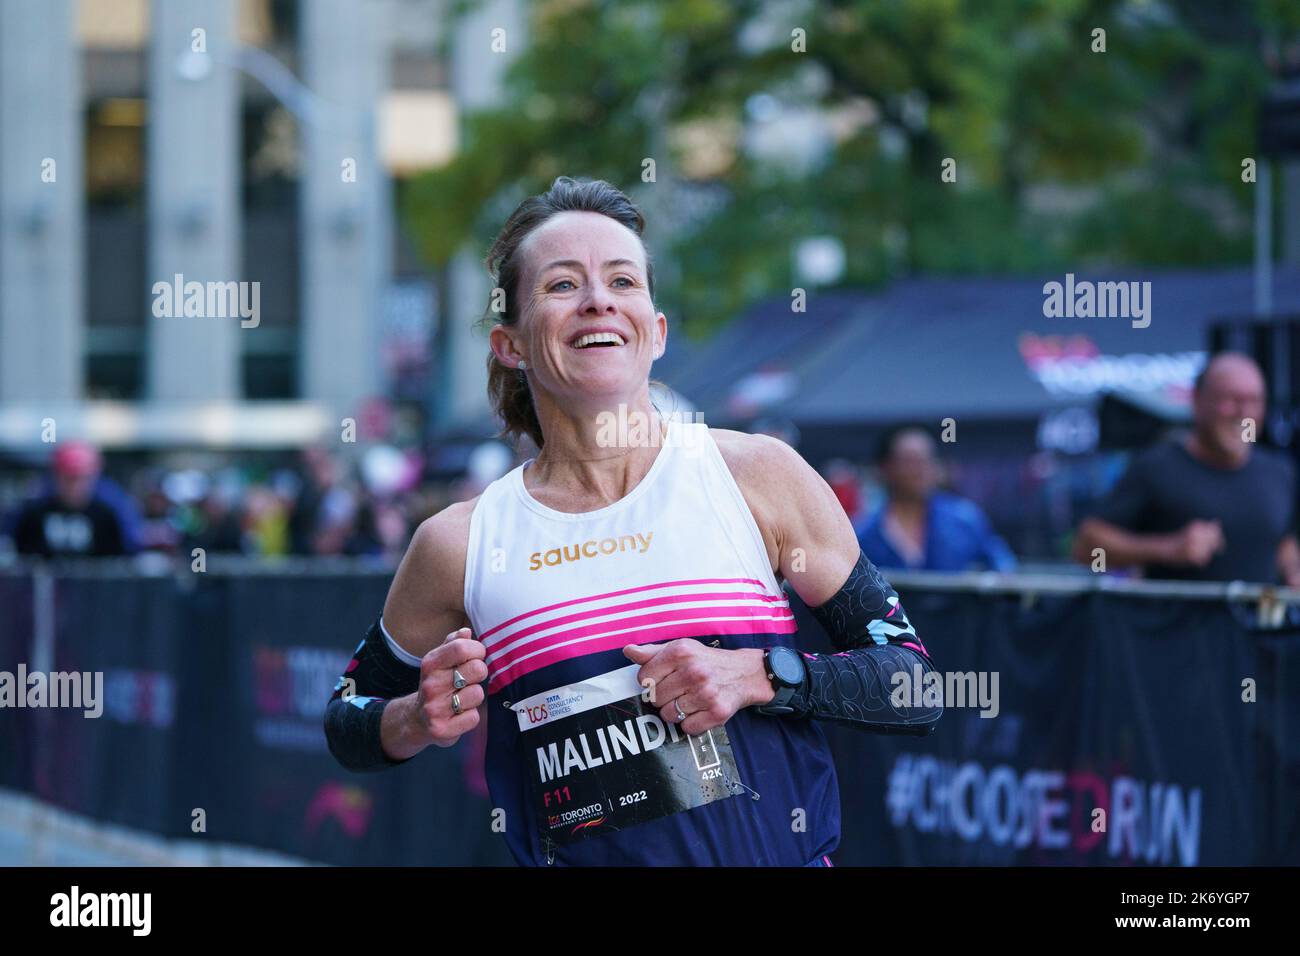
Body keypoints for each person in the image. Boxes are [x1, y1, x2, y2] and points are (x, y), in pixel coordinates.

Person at [323, 176, 942, 867]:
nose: (597, 300)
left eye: (622, 280)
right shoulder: (461, 542)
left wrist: (765, 674)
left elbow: (911, 686)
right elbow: (348, 717)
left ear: (656, 330)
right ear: (510, 345)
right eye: (561, 285)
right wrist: (411, 719)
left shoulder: (755, 476)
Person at [1072, 352, 1300, 585]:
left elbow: (1282, 540)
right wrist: (1167, 549)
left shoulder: (1279, 472)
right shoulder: (1157, 467)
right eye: (1230, 400)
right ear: (1198, 401)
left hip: (1259, 620)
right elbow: (1087, 550)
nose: (1243, 413)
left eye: (1253, 400)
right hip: (1174, 619)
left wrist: (1293, 571)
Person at [856, 425, 1017, 573]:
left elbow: (1003, 566)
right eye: (910, 462)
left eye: (927, 460)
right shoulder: (864, 533)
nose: (921, 471)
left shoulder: (964, 519)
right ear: (885, 468)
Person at [6, 441, 138, 558]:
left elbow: (118, 561)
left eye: (82, 478)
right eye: (69, 478)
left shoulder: (106, 515)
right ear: (56, 476)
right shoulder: (34, 515)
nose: (75, 486)